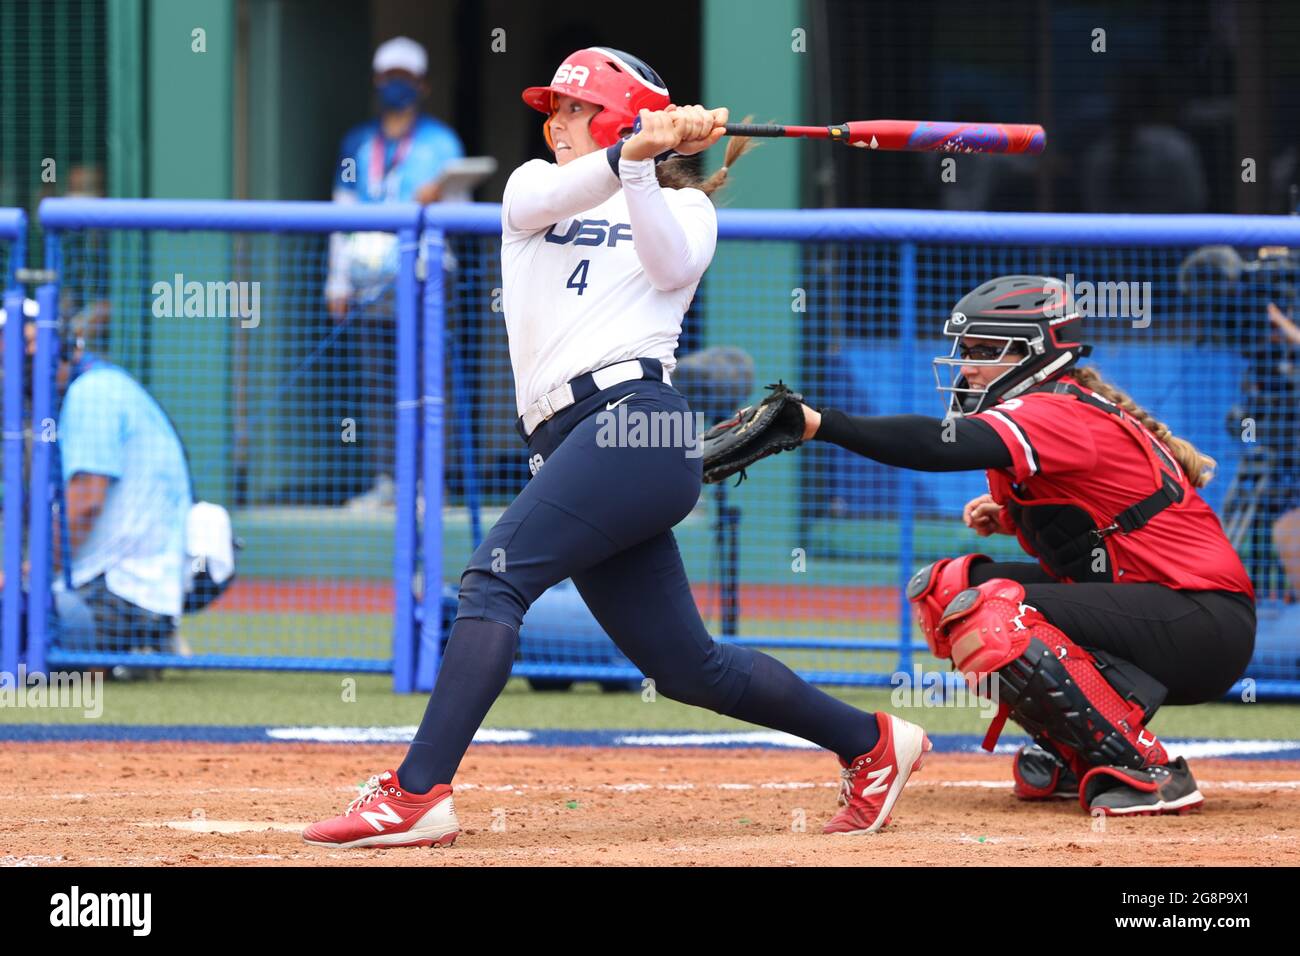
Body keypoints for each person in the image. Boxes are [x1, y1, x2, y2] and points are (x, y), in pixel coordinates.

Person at [304, 46, 932, 849]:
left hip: (637, 423)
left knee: (492, 583)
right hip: (575, 445)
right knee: (687, 668)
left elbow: (667, 261)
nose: (551, 120)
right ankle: (872, 743)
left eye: (569, 107)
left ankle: (418, 792)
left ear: (609, 117)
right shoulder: (534, 185)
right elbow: (576, 183)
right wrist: (632, 151)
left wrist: (645, 167)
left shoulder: (687, 212)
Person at [778, 275, 1256, 815]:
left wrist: (821, 424)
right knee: (950, 590)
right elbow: (1098, 526)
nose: (967, 365)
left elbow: (937, 446)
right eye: (967, 350)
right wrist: (1012, 518)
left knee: (991, 611)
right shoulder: (1054, 405)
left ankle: (1145, 769)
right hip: (1164, 608)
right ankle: (1071, 750)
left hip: (1203, 621)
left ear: (1037, 352)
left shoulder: (1056, 411)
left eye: (986, 351)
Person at [7, 303, 192, 670]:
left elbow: (86, 503)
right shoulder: (98, 385)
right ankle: (136, 649)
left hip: (118, 591)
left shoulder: (92, 393)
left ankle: (124, 653)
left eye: (33, 347)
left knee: (18, 644)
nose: (25, 359)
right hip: (128, 588)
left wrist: (32, 571)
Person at [327, 36, 466, 509]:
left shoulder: (442, 142)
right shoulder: (357, 142)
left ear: (423, 85)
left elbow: (459, 211)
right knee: (380, 380)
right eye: (390, 78)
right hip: (370, 279)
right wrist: (337, 280)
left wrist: (435, 199)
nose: (397, 86)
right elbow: (340, 213)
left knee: (430, 379)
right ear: (376, 81)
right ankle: (390, 480)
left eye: (405, 78)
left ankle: (432, 482)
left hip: (427, 276)